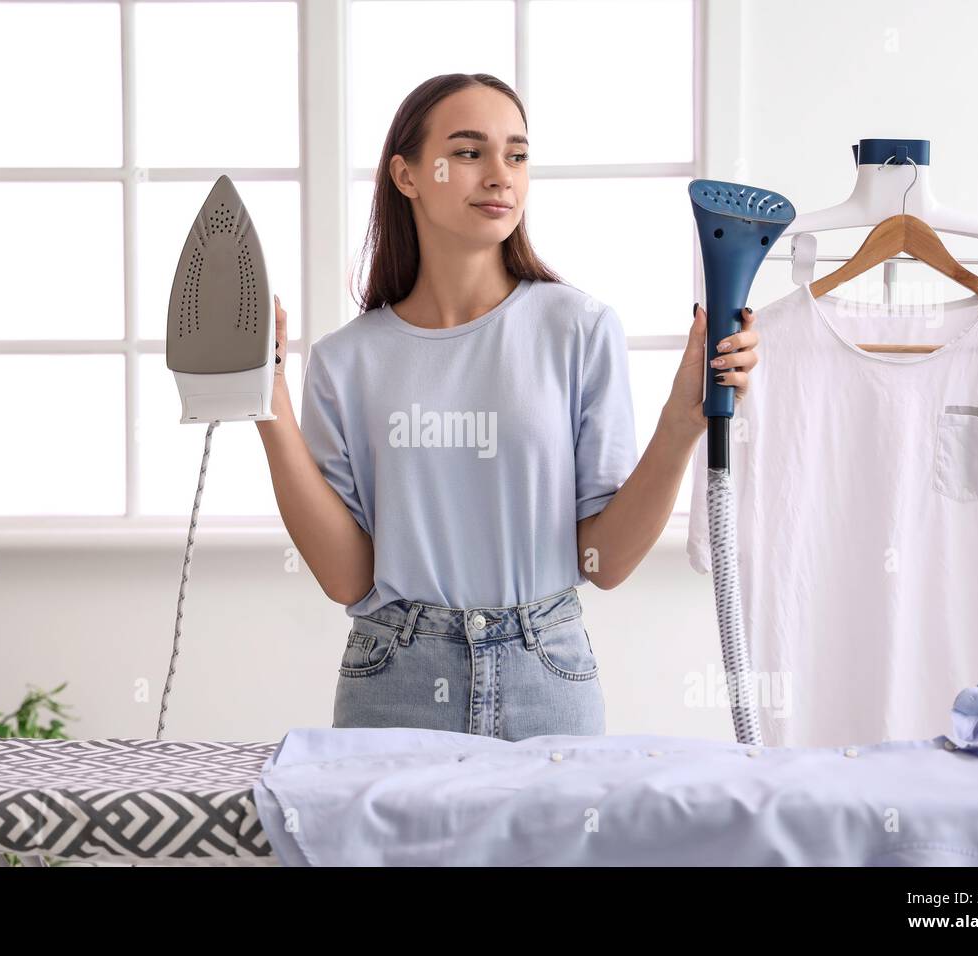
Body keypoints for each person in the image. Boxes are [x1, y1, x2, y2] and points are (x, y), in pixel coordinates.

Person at [257, 74, 759, 741]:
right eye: (468, 153)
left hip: (546, 679)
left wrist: (682, 422)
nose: (500, 175)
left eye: (516, 155)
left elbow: (603, 565)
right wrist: (270, 406)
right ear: (407, 175)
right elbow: (349, 579)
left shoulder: (579, 329)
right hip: (393, 685)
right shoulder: (346, 361)